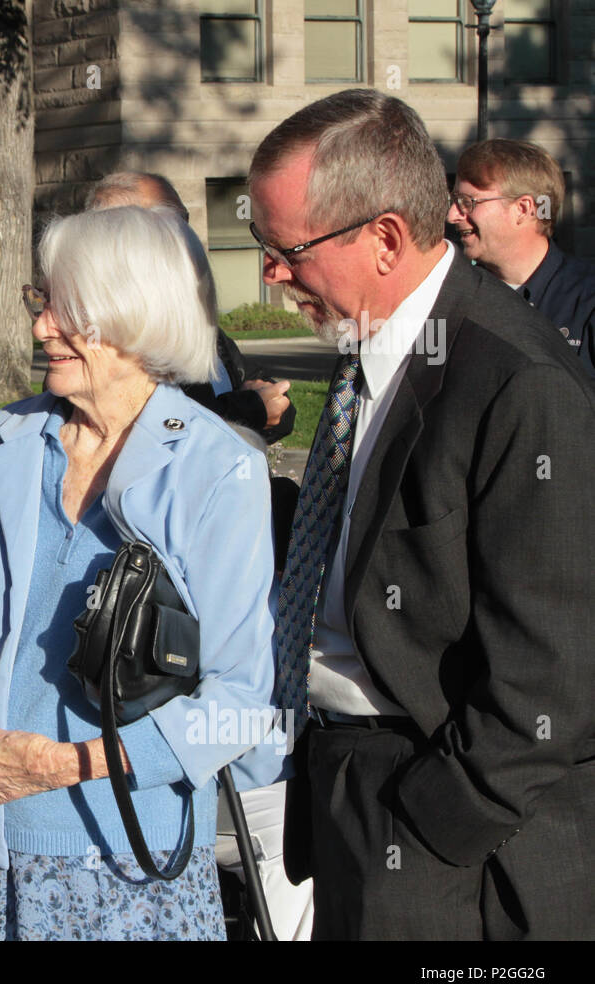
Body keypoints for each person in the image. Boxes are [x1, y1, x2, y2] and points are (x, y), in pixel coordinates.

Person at [0, 205, 280, 940]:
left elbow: (240, 701)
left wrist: (68, 765)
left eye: (65, 310)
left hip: (125, 864)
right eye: (42, 302)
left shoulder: (217, 469)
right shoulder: (0, 444)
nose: (40, 328)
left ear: (136, 315)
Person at [253, 89, 595, 939]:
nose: (271, 273)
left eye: (286, 249)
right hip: (350, 798)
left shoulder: (520, 382)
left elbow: (552, 675)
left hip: (447, 844)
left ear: (386, 239)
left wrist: (434, 819)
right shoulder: (373, 340)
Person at [86, 170, 311, 939]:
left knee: (275, 869)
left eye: (182, 228)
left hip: (248, 686)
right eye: (159, 234)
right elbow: (163, 453)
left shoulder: (209, 333)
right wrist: (246, 414)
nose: (184, 251)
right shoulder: (111, 350)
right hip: (158, 676)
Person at [86, 171, 295, 443]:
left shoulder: (188, 315)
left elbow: (269, 392)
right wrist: (252, 410)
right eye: (168, 222)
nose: (185, 234)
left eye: (184, 220)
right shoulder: (97, 334)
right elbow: (156, 431)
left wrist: (267, 406)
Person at [448, 139, 595, 377]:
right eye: (454, 202)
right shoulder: (455, 299)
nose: (452, 215)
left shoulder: (586, 302)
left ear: (524, 209)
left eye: (468, 202)